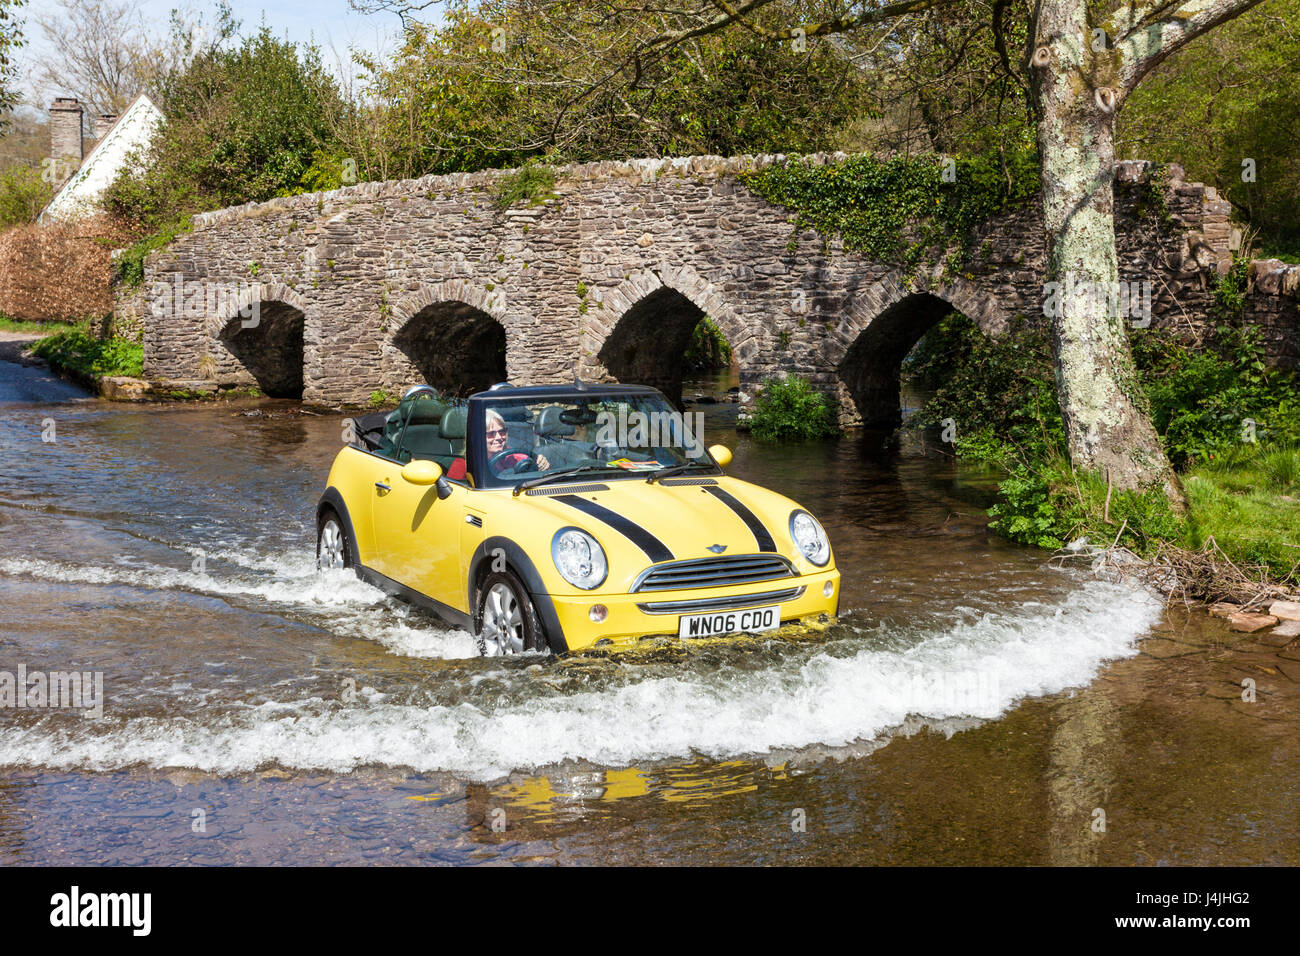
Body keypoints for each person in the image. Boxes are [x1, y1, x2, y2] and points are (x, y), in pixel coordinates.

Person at [485, 409, 549, 475]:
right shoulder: (475, 464)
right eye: (491, 433)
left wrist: (541, 464)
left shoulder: (514, 457)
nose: (499, 437)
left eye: (502, 432)